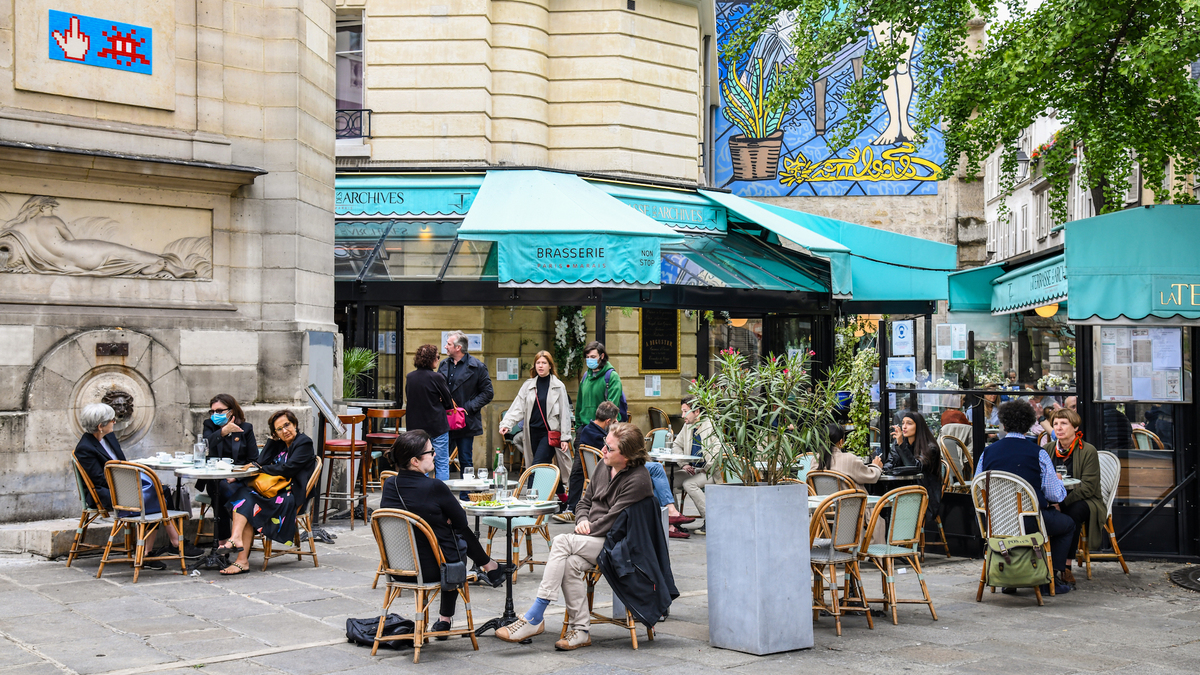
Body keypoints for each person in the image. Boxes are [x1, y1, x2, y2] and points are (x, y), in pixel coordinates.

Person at [496, 422, 654, 651]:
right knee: (570, 564)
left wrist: (588, 527)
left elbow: (613, 520)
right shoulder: (604, 465)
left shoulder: (638, 479)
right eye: (605, 444)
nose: (603, 451)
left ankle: (535, 616)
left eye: (610, 449)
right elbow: (584, 501)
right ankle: (581, 631)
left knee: (561, 542)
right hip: (593, 537)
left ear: (627, 456)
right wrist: (581, 520)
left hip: (618, 544)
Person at [379, 430, 509, 635]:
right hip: (433, 570)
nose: (436, 455)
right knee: (455, 541)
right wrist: (444, 519)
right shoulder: (434, 486)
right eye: (430, 452)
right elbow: (460, 521)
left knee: (446, 534)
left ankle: (489, 568)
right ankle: (446, 616)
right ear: (415, 461)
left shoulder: (389, 485)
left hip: (396, 568)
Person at [73, 403, 200, 568]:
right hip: (105, 493)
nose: (115, 422)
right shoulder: (85, 448)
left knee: (162, 490)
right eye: (112, 420)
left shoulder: (108, 437)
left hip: (122, 485)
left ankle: (156, 549)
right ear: (100, 426)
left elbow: (121, 463)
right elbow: (100, 479)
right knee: (157, 493)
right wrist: (134, 482)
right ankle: (173, 543)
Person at [976, 400, 1074, 595]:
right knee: (1067, 525)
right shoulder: (1038, 453)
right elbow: (1055, 494)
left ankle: (1010, 578)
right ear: (1029, 425)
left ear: (1003, 424)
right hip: (1030, 521)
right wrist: (1058, 484)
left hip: (996, 522)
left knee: (1032, 525)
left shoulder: (987, 453)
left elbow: (978, 488)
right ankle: (1049, 578)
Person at [217, 410, 317, 575]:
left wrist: (262, 468)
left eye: (287, 425)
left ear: (295, 424)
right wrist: (272, 440)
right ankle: (239, 553)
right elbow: (261, 461)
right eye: (279, 429)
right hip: (274, 493)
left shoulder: (304, 443)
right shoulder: (280, 443)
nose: (285, 431)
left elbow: (287, 469)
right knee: (245, 498)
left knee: (246, 500)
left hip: (290, 497)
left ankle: (238, 551)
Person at [1043, 408, 1104, 586]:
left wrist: (1061, 503)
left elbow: (1088, 487)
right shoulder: (1047, 450)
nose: (1059, 428)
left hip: (1084, 499)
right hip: (1054, 499)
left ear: (1075, 427)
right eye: (1055, 424)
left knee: (1072, 513)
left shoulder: (1088, 451)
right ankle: (1044, 562)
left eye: (1064, 423)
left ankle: (1065, 566)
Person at [499, 351, 573, 492]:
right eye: (538, 363)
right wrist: (506, 424)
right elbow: (518, 406)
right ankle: (562, 496)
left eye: (544, 363)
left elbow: (564, 413)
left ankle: (531, 499)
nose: (541, 366)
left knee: (536, 466)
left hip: (549, 434)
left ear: (550, 366)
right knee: (541, 466)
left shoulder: (558, 386)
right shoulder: (529, 385)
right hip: (531, 432)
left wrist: (565, 437)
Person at [200, 394, 258, 545]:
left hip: (239, 479)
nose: (215, 415)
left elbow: (254, 460)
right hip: (215, 478)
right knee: (219, 487)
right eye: (212, 411)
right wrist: (223, 431)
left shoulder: (245, 428)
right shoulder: (209, 425)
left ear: (231, 411)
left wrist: (237, 477)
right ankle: (248, 525)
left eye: (219, 411)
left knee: (221, 494)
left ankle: (223, 542)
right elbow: (205, 445)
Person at [437, 331, 493, 477]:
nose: (445, 346)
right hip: (444, 420)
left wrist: (467, 408)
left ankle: (466, 497)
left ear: (458, 348)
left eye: (448, 344)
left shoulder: (477, 367)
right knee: (440, 460)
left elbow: (488, 393)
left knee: (465, 460)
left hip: (465, 421)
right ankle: (441, 495)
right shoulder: (443, 364)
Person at [555, 400, 618, 524]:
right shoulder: (602, 438)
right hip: (606, 473)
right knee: (654, 469)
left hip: (591, 475)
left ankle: (571, 508)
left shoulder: (586, 431)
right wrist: (615, 429)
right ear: (608, 421)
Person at [668, 396, 722, 535]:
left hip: (710, 471)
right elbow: (676, 445)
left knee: (689, 484)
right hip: (693, 469)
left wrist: (706, 468)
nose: (682, 415)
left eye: (685, 411)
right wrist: (684, 464)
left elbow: (717, 452)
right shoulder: (687, 426)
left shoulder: (710, 426)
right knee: (667, 480)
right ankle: (674, 520)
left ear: (696, 412)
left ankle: (712, 520)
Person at [884, 411, 942, 530]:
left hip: (924, 495)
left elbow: (914, 469)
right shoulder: (898, 444)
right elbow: (888, 465)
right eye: (903, 423)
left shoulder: (930, 448)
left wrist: (901, 445)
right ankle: (886, 539)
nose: (904, 427)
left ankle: (898, 541)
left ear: (918, 426)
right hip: (902, 491)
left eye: (909, 423)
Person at [405, 344, 455, 480]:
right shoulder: (437, 377)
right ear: (431, 359)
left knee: (420, 464)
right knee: (442, 462)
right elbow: (448, 403)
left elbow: (410, 398)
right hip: (437, 426)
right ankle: (441, 495)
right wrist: (438, 400)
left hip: (416, 429)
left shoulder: (410, 377)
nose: (438, 360)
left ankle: (422, 494)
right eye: (437, 357)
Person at [574, 341, 623, 432]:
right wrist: (577, 428)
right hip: (584, 427)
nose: (589, 360)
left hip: (603, 429)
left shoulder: (612, 377)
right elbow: (579, 405)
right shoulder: (585, 377)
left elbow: (612, 407)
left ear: (602, 356)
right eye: (587, 357)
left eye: (593, 357)